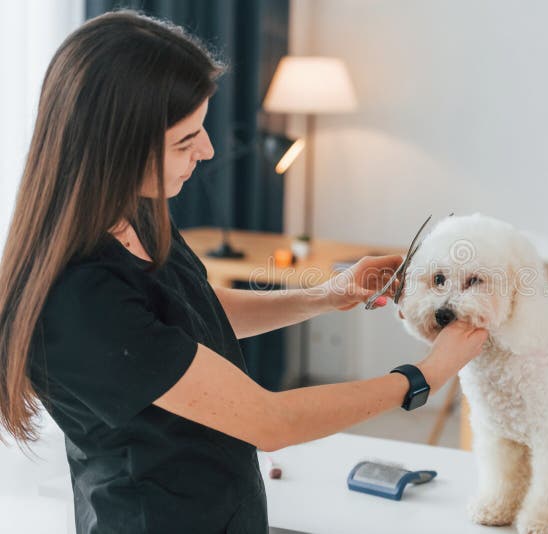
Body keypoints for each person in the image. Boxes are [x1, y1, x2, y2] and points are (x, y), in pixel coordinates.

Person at [0, 10, 488, 534]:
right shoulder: (80, 298)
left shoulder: (134, 210)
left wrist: (324, 295)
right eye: (185, 141)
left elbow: (193, 313)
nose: (207, 150)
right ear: (119, 149)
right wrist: (426, 375)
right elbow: (270, 421)